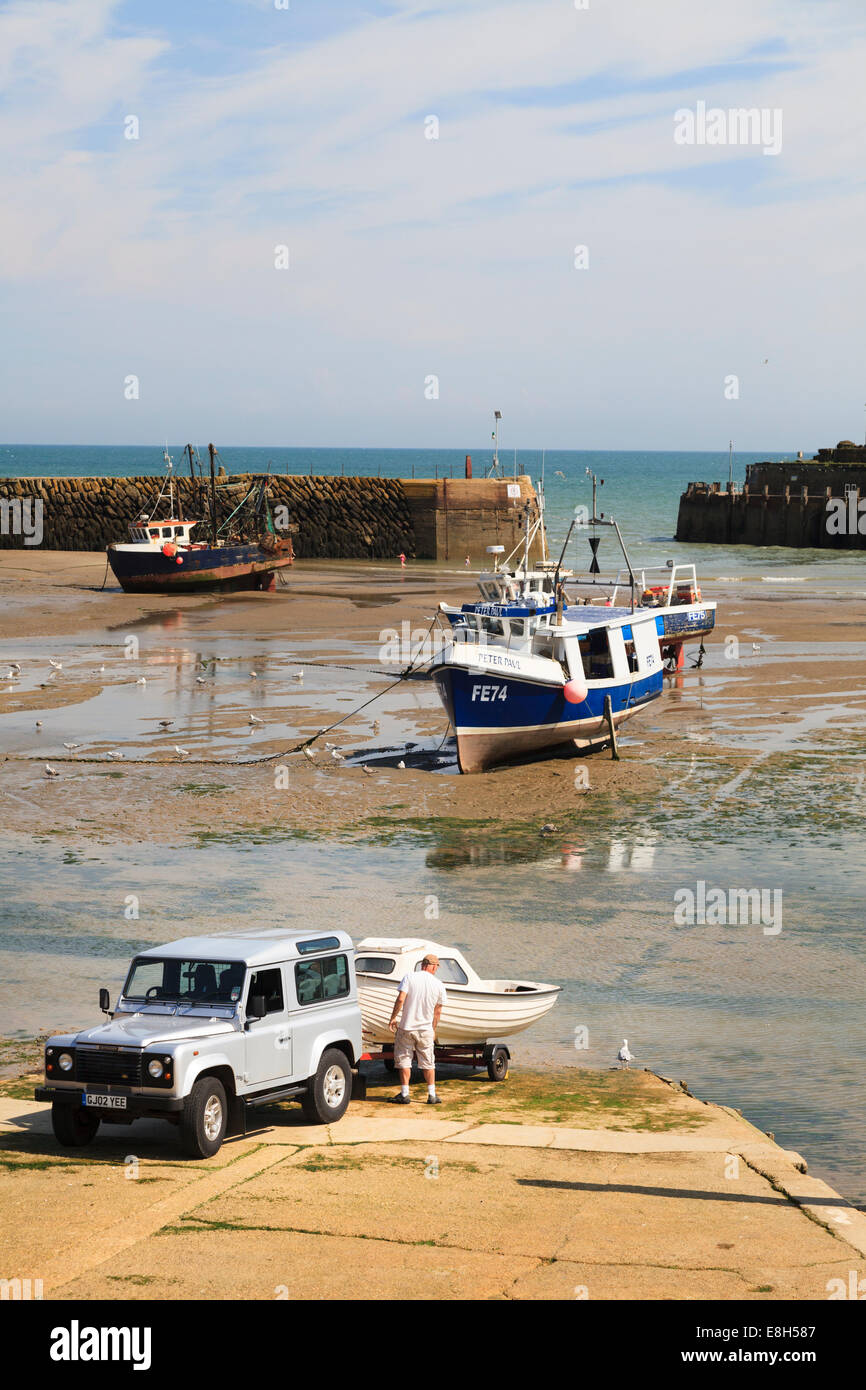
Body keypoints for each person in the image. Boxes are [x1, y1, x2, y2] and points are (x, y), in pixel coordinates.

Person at [388, 954, 446, 1104]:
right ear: (433, 966)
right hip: (426, 1029)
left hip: (407, 1027)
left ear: (423, 965)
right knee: (428, 1062)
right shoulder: (439, 984)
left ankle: (405, 1094)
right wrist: (432, 1029)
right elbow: (437, 1012)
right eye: (436, 967)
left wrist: (393, 1017)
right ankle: (432, 1095)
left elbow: (401, 999)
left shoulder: (409, 977)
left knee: (404, 1060)